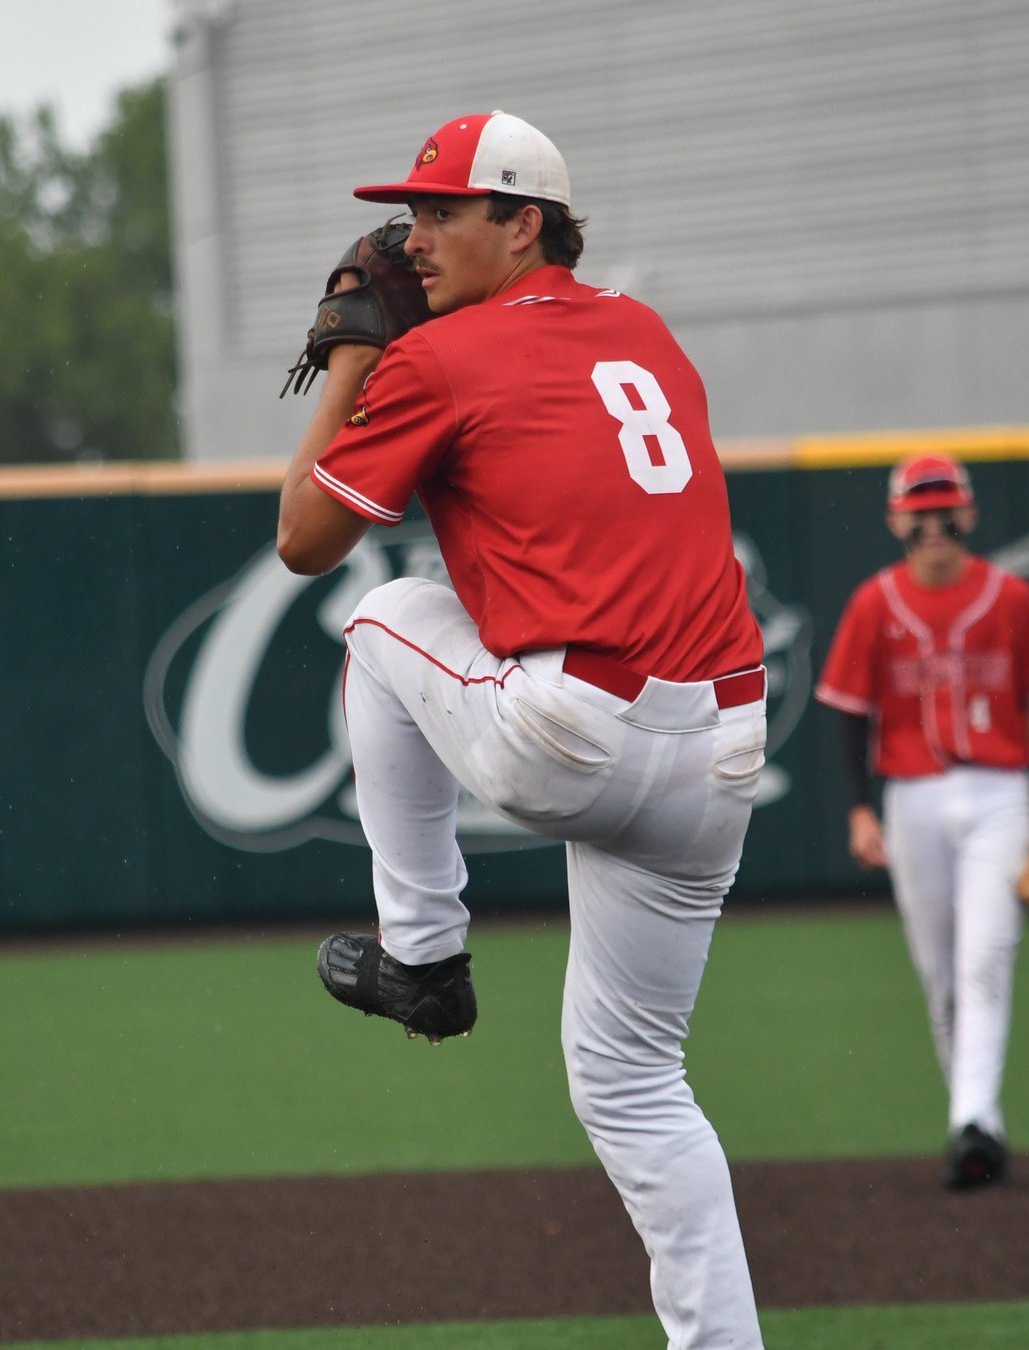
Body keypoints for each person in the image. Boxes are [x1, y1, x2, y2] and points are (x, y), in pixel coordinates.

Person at [276, 111, 769, 1347]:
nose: (415, 237)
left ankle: (424, 955)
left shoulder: (436, 361)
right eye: (416, 211)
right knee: (637, 1086)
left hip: (576, 734)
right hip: (718, 748)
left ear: (524, 222)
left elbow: (300, 541)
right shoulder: (645, 332)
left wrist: (352, 360)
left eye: (446, 212)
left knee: (383, 620)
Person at [814, 454, 1029, 1190]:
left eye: (945, 509)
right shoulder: (874, 602)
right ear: (896, 521)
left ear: (970, 514)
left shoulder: (1010, 596)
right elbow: (849, 715)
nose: (934, 525)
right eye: (919, 512)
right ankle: (977, 1116)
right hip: (912, 797)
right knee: (940, 976)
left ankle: (972, 1124)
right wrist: (861, 809)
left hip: (999, 792)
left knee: (986, 954)